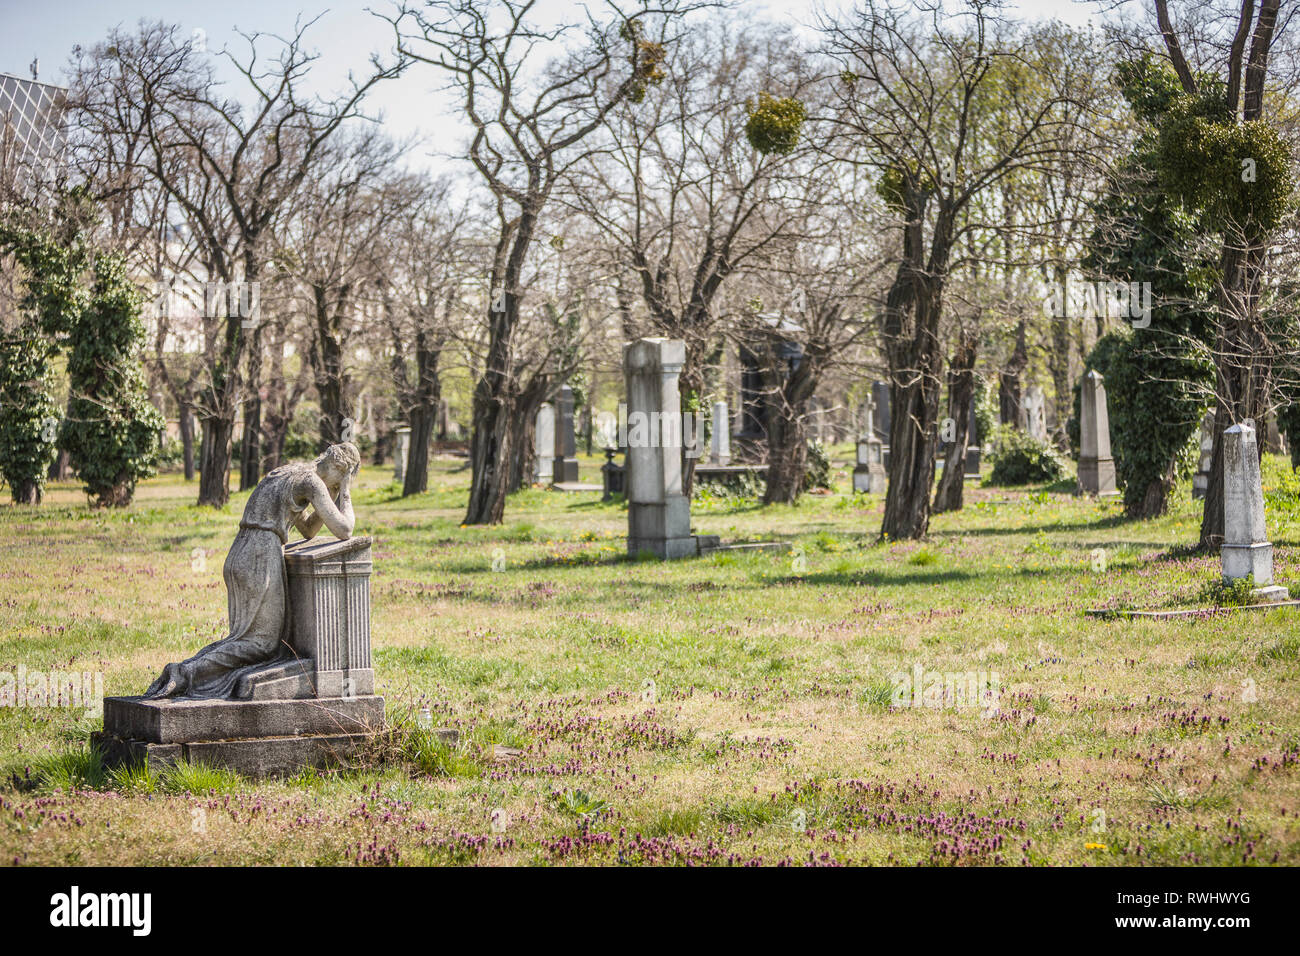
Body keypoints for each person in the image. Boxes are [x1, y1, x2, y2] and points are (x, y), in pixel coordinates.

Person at [144, 442, 361, 700]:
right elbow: (345, 529)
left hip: (241, 551)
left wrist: (332, 491)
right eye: (342, 477)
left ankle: (185, 670)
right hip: (261, 554)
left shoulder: (288, 472)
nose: (338, 485)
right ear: (339, 468)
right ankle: (187, 673)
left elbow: (308, 529)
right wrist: (345, 492)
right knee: (262, 643)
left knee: (244, 637)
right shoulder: (311, 482)